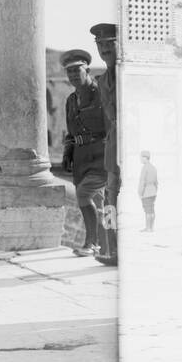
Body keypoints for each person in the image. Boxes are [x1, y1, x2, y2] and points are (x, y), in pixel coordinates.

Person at [61, 49, 107, 256]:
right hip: (80, 157)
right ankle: (106, 245)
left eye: (76, 70)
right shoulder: (71, 100)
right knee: (99, 203)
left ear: (87, 69)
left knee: (83, 194)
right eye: (69, 72)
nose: (72, 76)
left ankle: (92, 243)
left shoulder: (100, 93)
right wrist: (67, 153)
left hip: (100, 153)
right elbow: (70, 132)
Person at [91, 22, 120, 267]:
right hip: (112, 150)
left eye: (109, 44)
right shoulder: (102, 81)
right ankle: (113, 251)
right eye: (100, 45)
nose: (104, 49)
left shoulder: (130, 72)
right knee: (110, 201)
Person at [138, 149, 159, 232]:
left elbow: (142, 181)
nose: (140, 159)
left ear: (145, 158)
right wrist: (155, 190)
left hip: (146, 192)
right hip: (153, 192)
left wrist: (140, 192)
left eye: (141, 157)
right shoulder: (153, 167)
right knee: (152, 210)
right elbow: (156, 182)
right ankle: (151, 227)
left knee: (147, 210)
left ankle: (148, 228)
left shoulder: (145, 168)